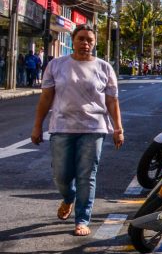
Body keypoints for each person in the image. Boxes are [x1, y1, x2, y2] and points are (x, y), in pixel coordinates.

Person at [30, 25, 123, 236]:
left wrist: (118, 128)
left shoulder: (104, 68)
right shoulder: (56, 65)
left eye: (90, 40)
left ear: (95, 43)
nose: (85, 43)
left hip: (94, 128)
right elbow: (45, 98)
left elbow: (112, 101)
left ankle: (82, 219)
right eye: (81, 38)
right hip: (62, 127)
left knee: (87, 176)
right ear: (73, 40)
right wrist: (37, 126)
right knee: (61, 175)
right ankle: (69, 197)